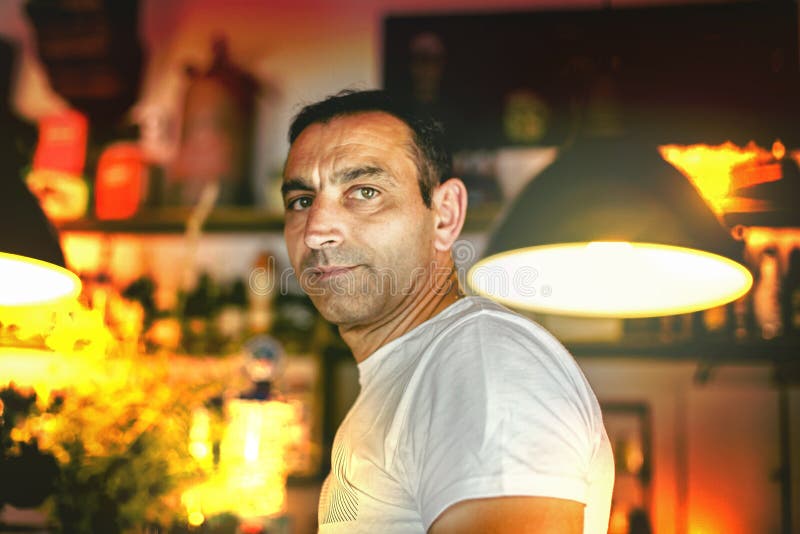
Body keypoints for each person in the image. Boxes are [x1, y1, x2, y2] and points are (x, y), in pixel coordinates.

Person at [281, 89, 614, 533]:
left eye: (364, 191)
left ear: (444, 215)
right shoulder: (422, 369)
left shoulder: (484, 362)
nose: (317, 230)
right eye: (302, 201)